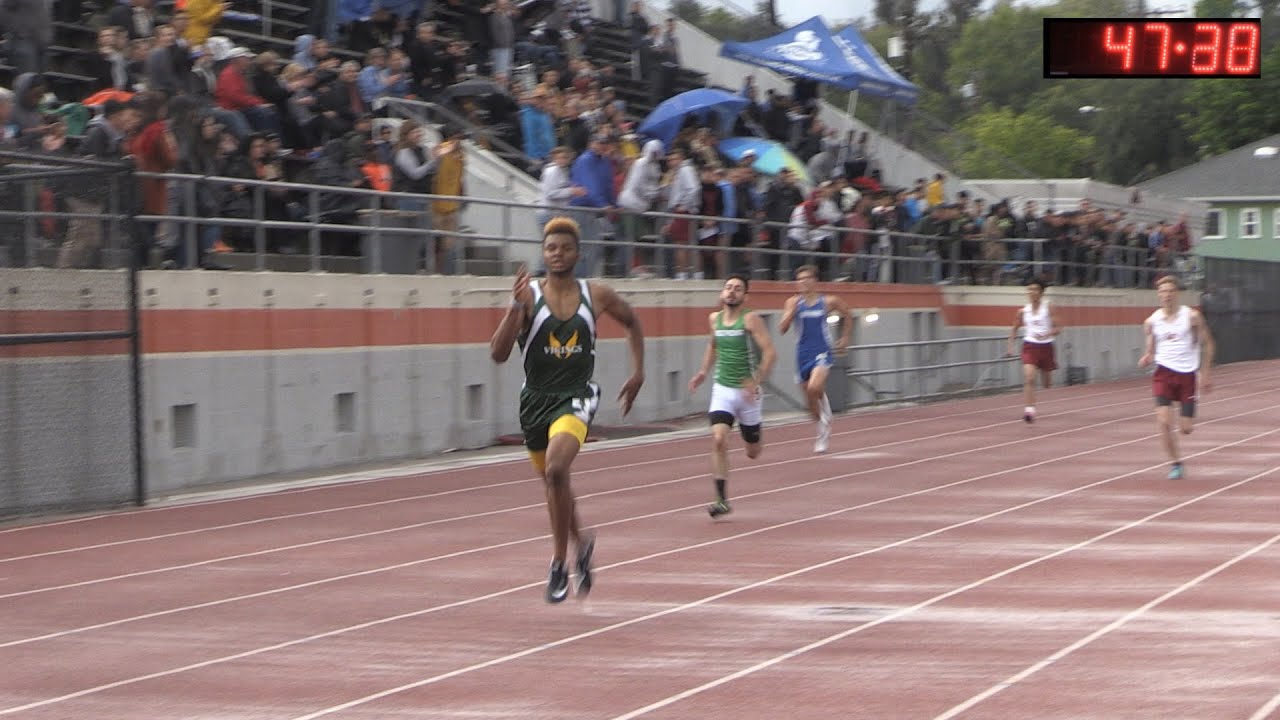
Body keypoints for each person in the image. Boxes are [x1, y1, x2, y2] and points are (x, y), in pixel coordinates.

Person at [489, 216, 646, 603]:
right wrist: (514, 307)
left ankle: (559, 564)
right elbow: (497, 354)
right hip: (535, 400)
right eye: (551, 248)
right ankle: (582, 542)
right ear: (543, 254)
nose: (558, 254)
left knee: (558, 470)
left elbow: (632, 321)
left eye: (565, 248)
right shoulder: (529, 297)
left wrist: (638, 371)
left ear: (579, 253)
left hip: (576, 395)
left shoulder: (598, 294)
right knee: (554, 485)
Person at [688, 275, 777, 518]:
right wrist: (703, 372)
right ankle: (721, 499)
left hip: (747, 393)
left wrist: (756, 381)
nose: (731, 292)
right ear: (721, 293)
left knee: (753, 452)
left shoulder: (750, 319)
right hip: (723, 390)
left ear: (745, 296)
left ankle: (754, 432)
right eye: (728, 287)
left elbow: (770, 352)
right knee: (718, 440)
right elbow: (713, 345)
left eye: (737, 289)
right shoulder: (714, 319)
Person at [1138, 275, 1214, 480]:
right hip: (1163, 373)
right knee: (1163, 421)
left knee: (1186, 429)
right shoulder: (1152, 321)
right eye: (1163, 292)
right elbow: (1150, 344)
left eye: (1171, 291)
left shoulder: (1191, 316)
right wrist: (1147, 355)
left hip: (1188, 375)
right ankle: (1176, 464)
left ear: (1177, 293)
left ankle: (1184, 434)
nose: (1167, 295)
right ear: (1158, 295)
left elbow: (1209, 344)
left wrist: (1205, 374)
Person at [778, 264, 852, 453]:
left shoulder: (828, 301)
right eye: (799, 279)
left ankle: (826, 418)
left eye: (806, 278)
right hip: (802, 354)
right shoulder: (792, 302)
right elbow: (782, 329)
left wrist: (844, 338)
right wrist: (791, 312)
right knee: (810, 405)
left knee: (815, 387)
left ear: (815, 281)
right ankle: (821, 426)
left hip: (822, 351)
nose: (802, 282)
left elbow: (848, 314)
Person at [1006, 278, 1063, 423]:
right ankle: (1029, 410)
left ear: (1041, 292)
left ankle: (1046, 379)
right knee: (1029, 378)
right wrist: (1010, 347)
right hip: (1030, 346)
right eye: (1029, 289)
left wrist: (1047, 333)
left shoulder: (1048, 307)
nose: (1032, 292)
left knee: (1047, 384)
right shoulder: (1022, 311)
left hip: (1046, 347)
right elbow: (1014, 329)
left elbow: (1059, 328)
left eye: (1035, 289)